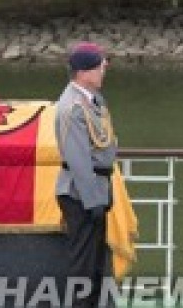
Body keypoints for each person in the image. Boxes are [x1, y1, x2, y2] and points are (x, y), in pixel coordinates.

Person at [55, 42, 117, 308]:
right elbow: (79, 160)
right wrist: (93, 201)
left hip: (95, 190)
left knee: (95, 265)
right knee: (83, 265)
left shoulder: (92, 100)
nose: (102, 71)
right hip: (80, 194)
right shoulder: (73, 107)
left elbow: (104, 143)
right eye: (97, 68)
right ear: (82, 73)